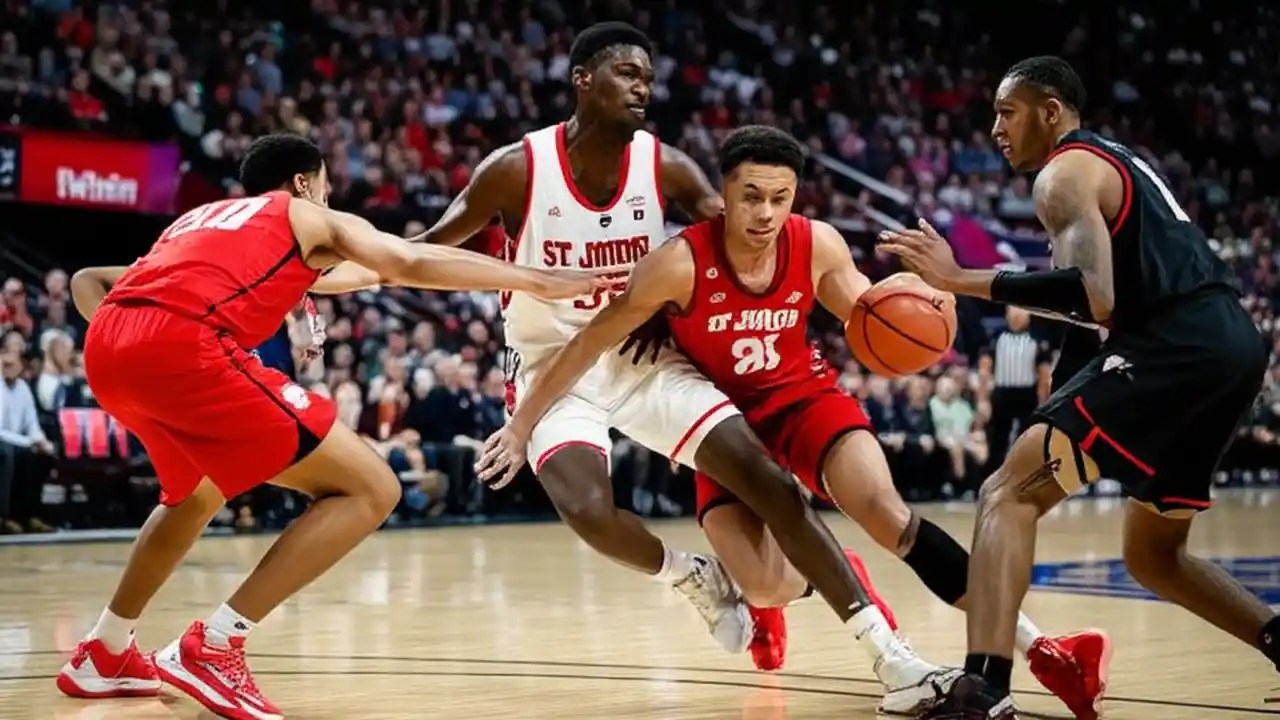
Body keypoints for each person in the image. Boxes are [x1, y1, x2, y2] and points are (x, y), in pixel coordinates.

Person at [55, 133, 604, 720]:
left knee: (195, 494)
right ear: (303, 183)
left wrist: (141, 354)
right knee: (371, 487)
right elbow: (408, 260)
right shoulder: (303, 215)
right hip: (182, 345)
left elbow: (89, 278)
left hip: (110, 349)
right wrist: (540, 280)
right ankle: (212, 647)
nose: (329, 194)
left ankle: (106, 651)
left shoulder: (202, 221)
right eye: (326, 185)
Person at [477, 117, 964, 714]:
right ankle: (694, 575)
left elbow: (860, 301)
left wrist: (940, 293)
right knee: (591, 513)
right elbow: (584, 342)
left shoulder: (750, 212)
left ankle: (893, 657)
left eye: (777, 199)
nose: (763, 212)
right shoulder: (545, 183)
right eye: (751, 196)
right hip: (568, 361)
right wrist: (521, 423)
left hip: (693, 376)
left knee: (781, 492)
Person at [880, 56, 1280, 718]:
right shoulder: (1113, 163)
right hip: (1231, 345)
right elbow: (1087, 320)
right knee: (1154, 557)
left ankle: (983, 691)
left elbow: (1090, 298)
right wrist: (1054, 411)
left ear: (1052, 111)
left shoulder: (1062, 174)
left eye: (1008, 112)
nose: (996, 130)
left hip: (1172, 343)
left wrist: (960, 279)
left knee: (1005, 493)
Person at [410, 21, 758, 655]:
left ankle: (793, 591)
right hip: (551, 366)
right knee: (588, 513)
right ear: (582, 80)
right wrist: (339, 269)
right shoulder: (516, 169)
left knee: (758, 468)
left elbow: (739, 244)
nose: (642, 88)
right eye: (627, 73)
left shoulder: (667, 167)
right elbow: (427, 251)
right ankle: (693, 574)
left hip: (640, 351)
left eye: (648, 79)